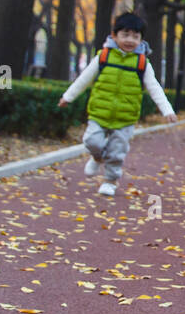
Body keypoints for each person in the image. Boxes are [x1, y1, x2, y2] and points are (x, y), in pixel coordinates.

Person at [57, 12, 176, 196]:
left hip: (125, 117)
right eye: (125, 35)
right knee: (91, 141)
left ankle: (110, 181)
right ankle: (97, 157)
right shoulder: (103, 57)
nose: (130, 40)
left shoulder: (142, 63)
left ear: (141, 40)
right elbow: (84, 79)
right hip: (99, 113)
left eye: (135, 37)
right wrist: (68, 96)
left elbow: (155, 88)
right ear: (114, 35)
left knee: (117, 152)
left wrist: (167, 109)